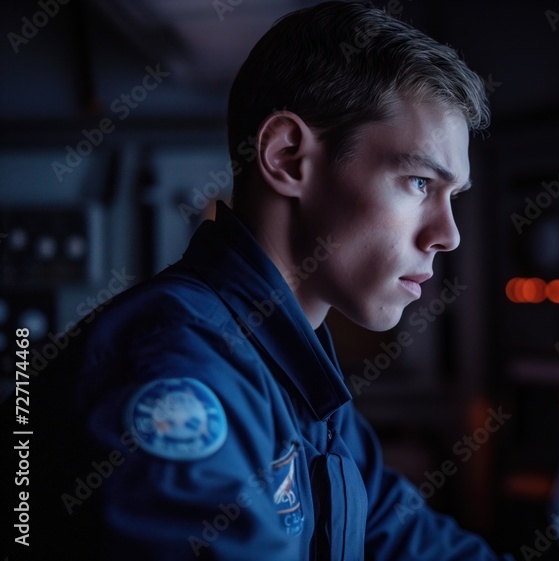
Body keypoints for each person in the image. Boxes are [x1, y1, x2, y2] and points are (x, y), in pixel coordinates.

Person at [29, 2, 512, 559]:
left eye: (454, 197)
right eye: (420, 183)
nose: (447, 234)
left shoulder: (305, 385)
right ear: (286, 157)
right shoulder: (177, 367)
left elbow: (413, 541)